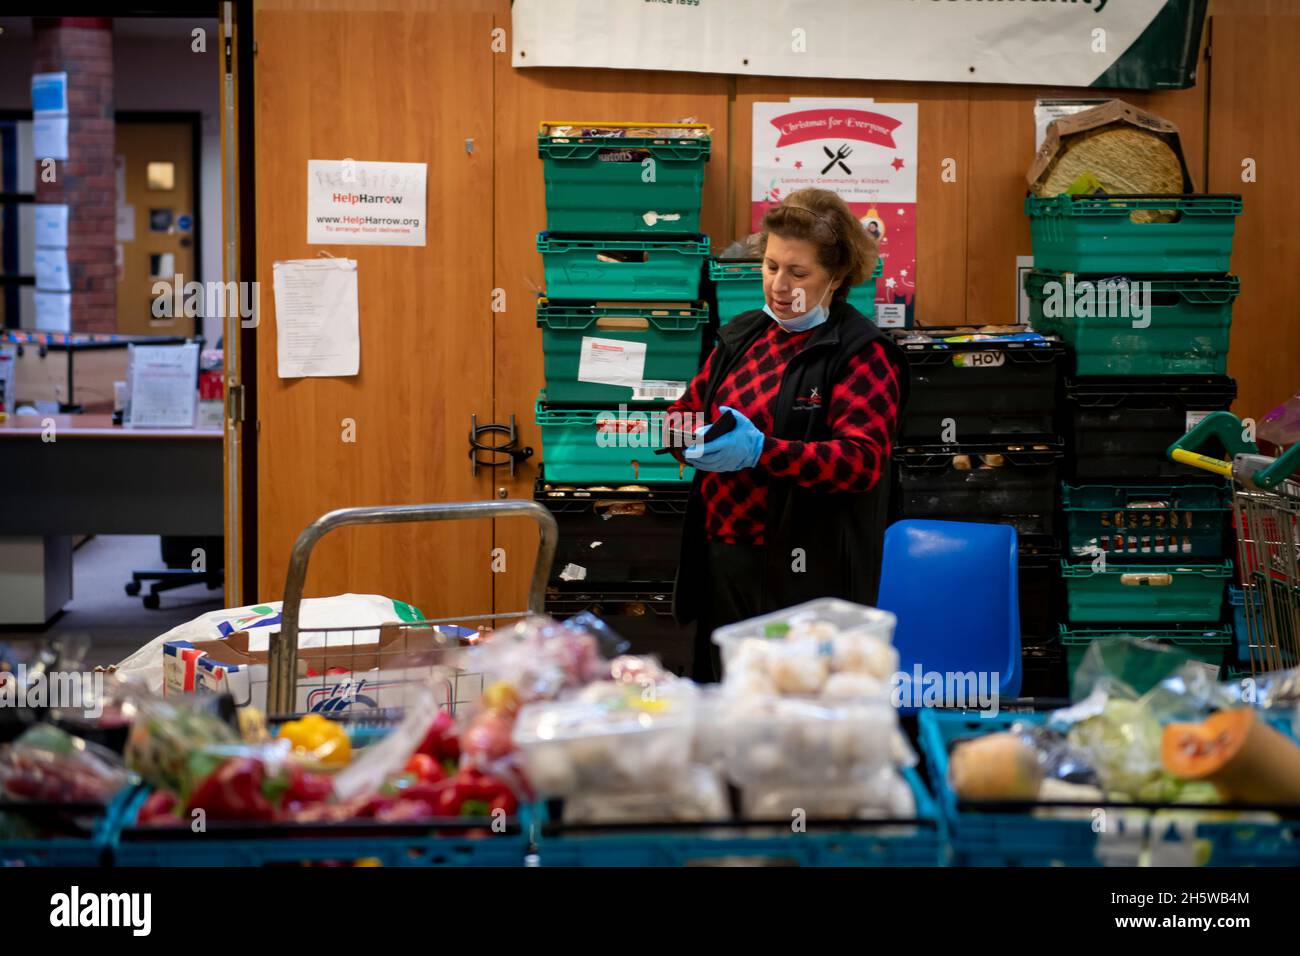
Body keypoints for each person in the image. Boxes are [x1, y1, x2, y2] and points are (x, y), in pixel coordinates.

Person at [667, 188, 909, 681]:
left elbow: (861, 462)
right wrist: (682, 436)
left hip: (804, 566)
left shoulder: (862, 353)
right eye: (771, 266)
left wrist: (761, 450)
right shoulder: (742, 334)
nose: (779, 285)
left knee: (793, 706)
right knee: (727, 697)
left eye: (798, 273)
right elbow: (684, 412)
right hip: (723, 555)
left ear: (836, 277)